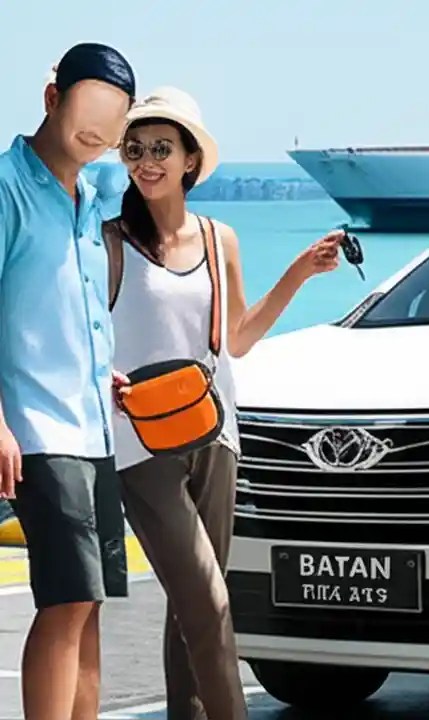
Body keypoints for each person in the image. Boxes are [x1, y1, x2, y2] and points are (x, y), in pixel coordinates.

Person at [104, 86, 343, 720]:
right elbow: (79, 332)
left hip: (216, 437)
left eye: (162, 148)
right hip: (140, 444)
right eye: (135, 148)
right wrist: (101, 377)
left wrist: (297, 273)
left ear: (190, 160)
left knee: (191, 608)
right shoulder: (110, 243)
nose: (146, 160)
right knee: (208, 600)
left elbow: (236, 338)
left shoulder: (220, 240)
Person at [0, 43, 136, 720]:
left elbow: (61, 309)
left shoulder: (89, 199)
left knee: (89, 608)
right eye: (88, 112)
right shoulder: (4, 189)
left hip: (92, 429)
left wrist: (98, 366)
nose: (96, 134)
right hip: (35, 427)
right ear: (53, 98)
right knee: (64, 601)